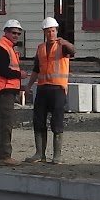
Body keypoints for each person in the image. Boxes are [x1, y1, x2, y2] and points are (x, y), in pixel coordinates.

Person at [28, 16, 75, 163]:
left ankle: (57, 155)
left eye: (53, 31)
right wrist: (28, 86)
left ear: (57, 31)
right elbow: (36, 69)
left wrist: (66, 42)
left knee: (57, 121)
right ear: (44, 32)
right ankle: (39, 154)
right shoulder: (40, 48)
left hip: (58, 89)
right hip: (42, 88)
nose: (51, 34)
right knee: (39, 120)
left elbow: (73, 50)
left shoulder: (62, 47)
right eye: (48, 31)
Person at [0, 19, 26, 165]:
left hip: (6, 89)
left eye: (18, 33)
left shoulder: (8, 48)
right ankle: (4, 156)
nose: (16, 35)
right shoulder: (1, 48)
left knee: (3, 124)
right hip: (4, 89)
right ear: (6, 32)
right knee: (6, 124)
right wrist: (19, 74)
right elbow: (2, 70)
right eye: (13, 33)